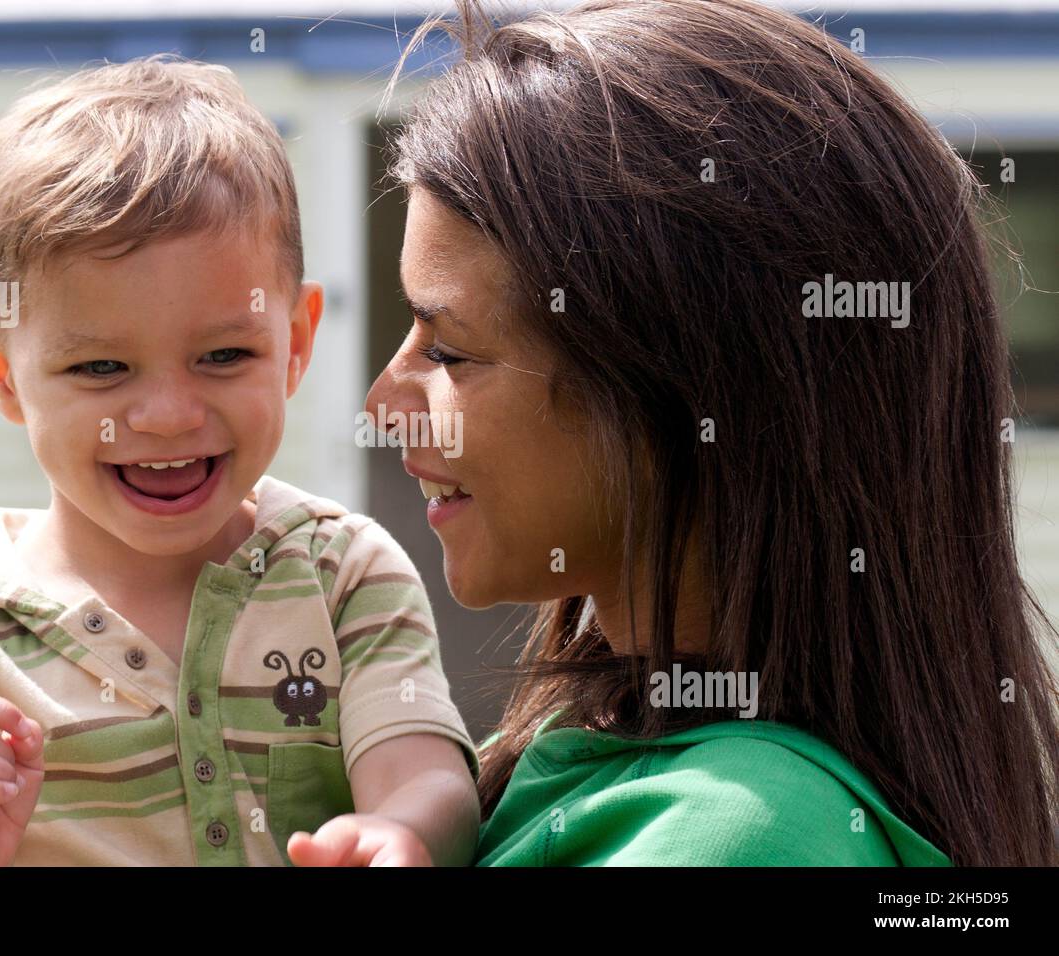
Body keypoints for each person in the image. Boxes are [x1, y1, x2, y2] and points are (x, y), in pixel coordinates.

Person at [367, 0, 1059, 865]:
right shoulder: (616, 764)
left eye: (452, 351)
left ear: (678, 394)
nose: (383, 401)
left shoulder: (736, 833)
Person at [0, 55, 479, 867]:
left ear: (296, 342)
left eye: (222, 354)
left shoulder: (343, 575)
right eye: (101, 368)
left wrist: (403, 834)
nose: (169, 415)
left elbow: (427, 781)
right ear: (0, 371)